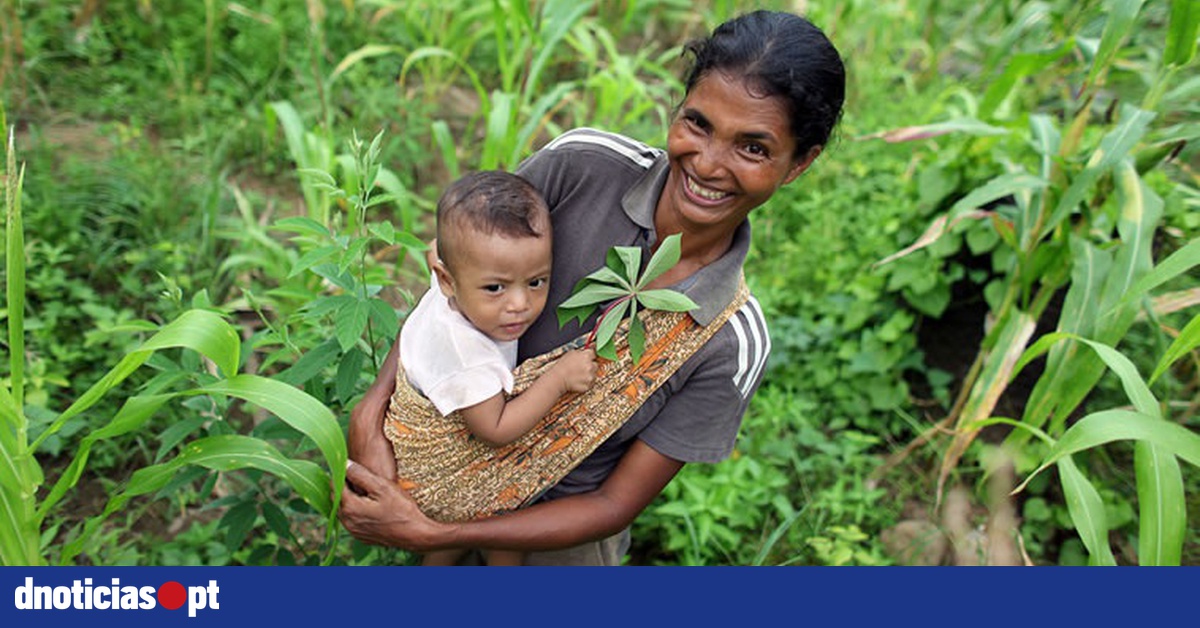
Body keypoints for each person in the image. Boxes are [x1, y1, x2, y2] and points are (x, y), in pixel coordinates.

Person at [340, 9, 845, 565]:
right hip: (438, 475)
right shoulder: (584, 167)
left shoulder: (727, 340)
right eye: (698, 124)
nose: (707, 164)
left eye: (753, 148)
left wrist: (434, 535)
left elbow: (612, 504)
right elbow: (459, 276)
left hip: (556, 544)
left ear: (799, 164)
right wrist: (371, 411)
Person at [394, 170, 598, 566]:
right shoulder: (468, 354)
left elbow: (435, 249)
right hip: (439, 475)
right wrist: (558, 379)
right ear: (447, 280)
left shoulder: (459, 276)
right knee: (507, 520)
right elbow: (495, 430)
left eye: (537, 282)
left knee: (447, 545)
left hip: (441, 430)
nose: (519, 304)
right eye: (495, 288)